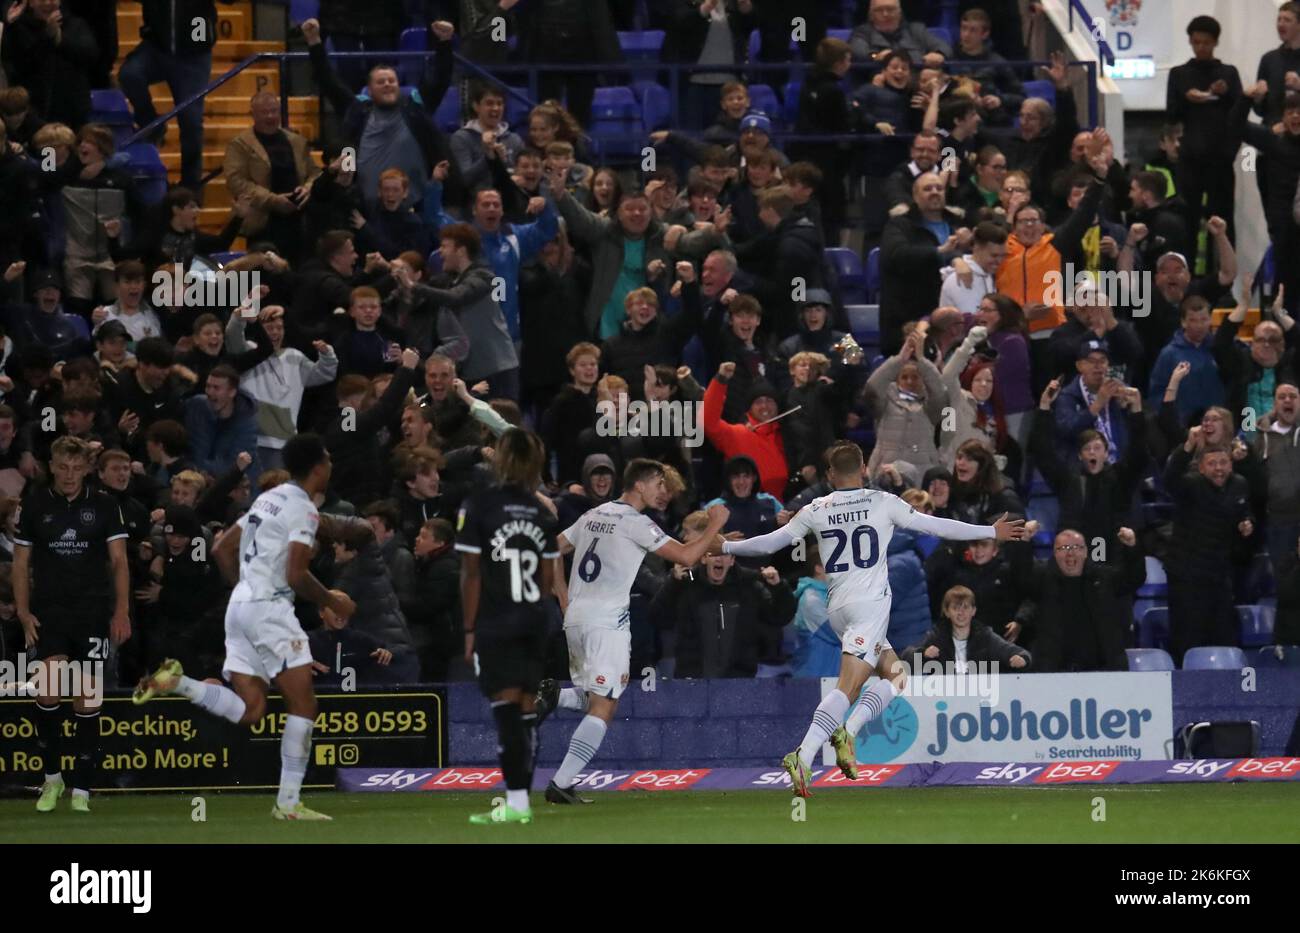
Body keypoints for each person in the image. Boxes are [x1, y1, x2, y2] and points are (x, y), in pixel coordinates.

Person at [713, 440, 1026, 795]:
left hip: (838, 608)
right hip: (869, 606)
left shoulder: (817, 507)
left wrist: (724, 546)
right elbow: (938, 526)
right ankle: (803, 754)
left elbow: (769, 544)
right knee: (848, 688)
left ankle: (849, 731)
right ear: (863, 469)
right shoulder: (883, 502)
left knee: (896, 676)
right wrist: (990, 531)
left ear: (830, 474)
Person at [133, 433, 360, 821]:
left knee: (252, 710)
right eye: (328, 461)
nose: (331, 467)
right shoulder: (303, 509)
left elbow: (222, 548)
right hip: (269, 610)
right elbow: (296, 572)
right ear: (319, 466)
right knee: (304, 703)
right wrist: (331, 601)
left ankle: (179, 683)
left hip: (239, 607)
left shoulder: (267, 498)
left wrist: (246, 588)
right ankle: (288, 805)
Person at [534, 460, 730, 804]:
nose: (664, 491)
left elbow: (552, 547)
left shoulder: (595, 513)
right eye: (659, 483)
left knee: (596, 695)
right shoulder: (636, 523)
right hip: (607, 621)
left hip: (577, 617)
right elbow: (685, 556)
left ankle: (556, 698)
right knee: (605, 705)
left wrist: (562, 594)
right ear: (639, 485)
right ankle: (561, 784)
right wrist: (715, 524)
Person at [17, 436, 130, 814]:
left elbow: (118, 562)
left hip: (93, 612)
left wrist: (121, 611)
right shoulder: (33, 506)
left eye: (76, 468)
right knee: (47, 691)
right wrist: (22, 611)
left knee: (87, 698)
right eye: (63, 468)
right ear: (52, 466)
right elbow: (21, 562)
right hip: (50, 612)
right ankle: (52, 779)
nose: (69, 476)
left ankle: (82, 787)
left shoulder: (104, 505)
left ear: (87, 469)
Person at [455, 429, 558, 825]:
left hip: (498, 621)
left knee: (506, 710)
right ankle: (520, 799)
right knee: (527, 709)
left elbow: (470, 573)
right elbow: (547, 579)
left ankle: (517, 803)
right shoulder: (542, 513)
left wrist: (468, 630)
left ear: (500, 458)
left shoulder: (479, 505)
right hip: (534, 620)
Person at [1164, 428, 1255, 663]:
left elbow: (1245, 512)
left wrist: (1248, 523)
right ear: (1202, 468)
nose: (1219, 469)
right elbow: (1170, 479)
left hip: (1220, 573)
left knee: (1223, 633)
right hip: (1187, 575)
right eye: (1212, 464)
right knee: (1188, 636)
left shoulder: (1240, 484)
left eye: (1223, 463)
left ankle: (1226, 688)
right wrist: (1187, 448)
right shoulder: (1190, 485)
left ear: (1231, 465)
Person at [1024, 527, 1145, 672]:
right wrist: (1023, 541)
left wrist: (1131, 546)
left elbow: (1134, 578)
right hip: (1054, 671)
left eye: (1076, 547)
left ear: (1086, 552)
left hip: (1103, 669)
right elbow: (1020, 576)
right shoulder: (1042, 580)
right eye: (1063, 548)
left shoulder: (1103, 578)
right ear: (1055, 553)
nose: (1070, 553)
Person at [905, 585, 1030, 672]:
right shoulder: (937, 636)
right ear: (947, 612)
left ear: (973, 611)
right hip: (944, 696)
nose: (961, 613)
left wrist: (1022, 659)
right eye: (955, 608)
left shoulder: (984, 636)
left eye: (965, 607)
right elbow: (906, 657)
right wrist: (923, 654)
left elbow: (1019, 653)